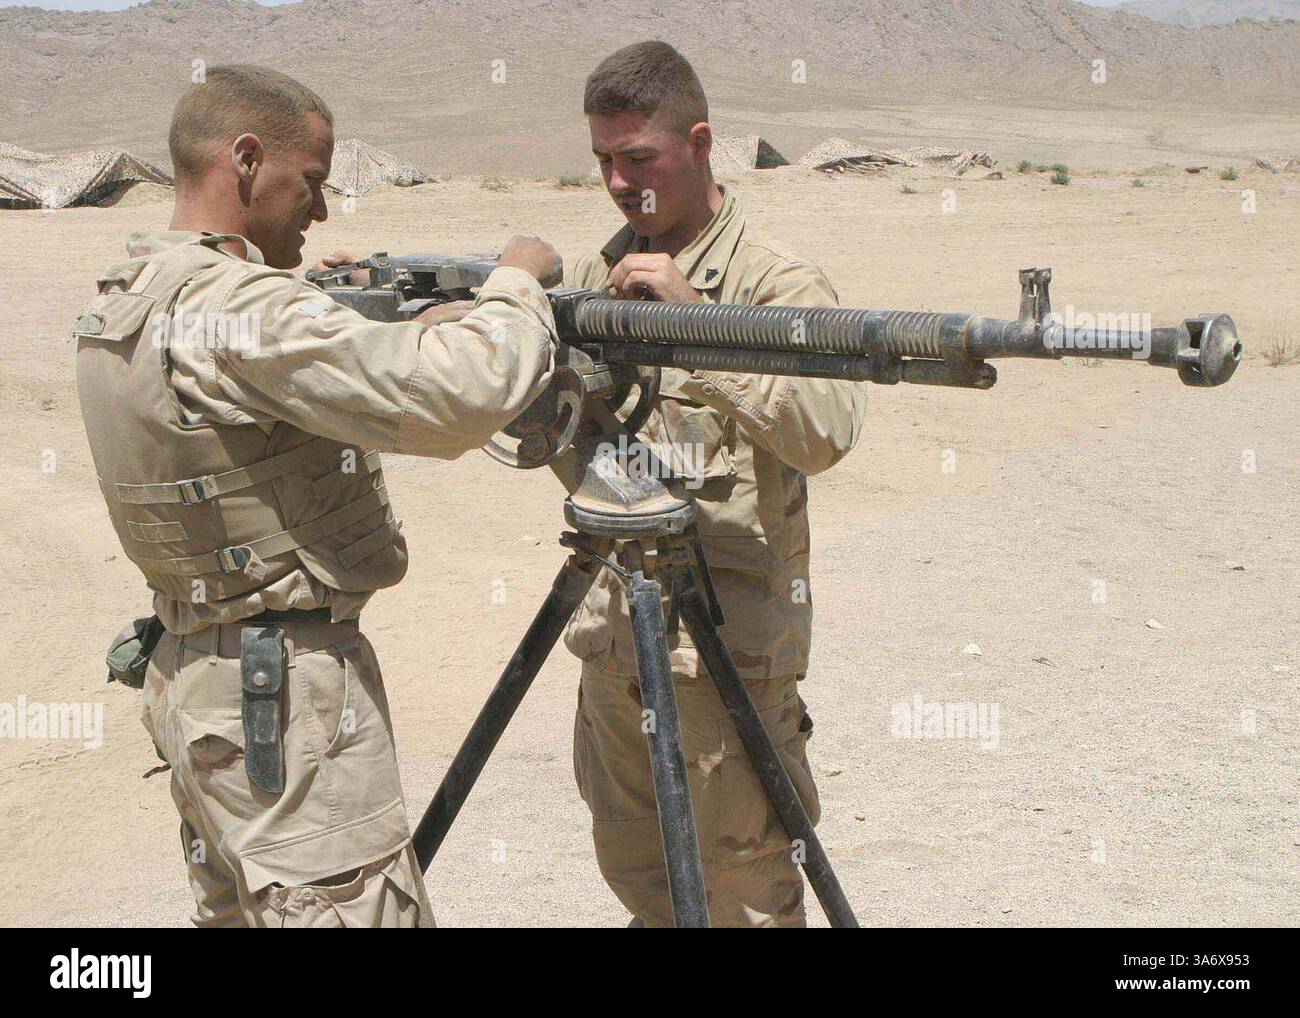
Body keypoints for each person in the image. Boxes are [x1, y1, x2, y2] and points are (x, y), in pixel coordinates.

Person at [74, 64, 562, 927]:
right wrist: (517, 284)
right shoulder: (247, 309)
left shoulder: (136, 297)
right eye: (312, 183)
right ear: (249, 160)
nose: (322, 210)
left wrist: (313, 301)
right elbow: (458, 397)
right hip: (286, 703)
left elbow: (230, 398)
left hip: (199, 683)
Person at [562, 41, 867, 927]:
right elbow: (572, 445)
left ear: (699, 144)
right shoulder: (598, 275)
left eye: (639, 158)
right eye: (604, 162)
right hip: (615, 636)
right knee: (641, 872)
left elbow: (828, 432)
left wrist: (699, 328)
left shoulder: (775, 285)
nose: (620, 182)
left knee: (742, 892)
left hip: (726, 654)